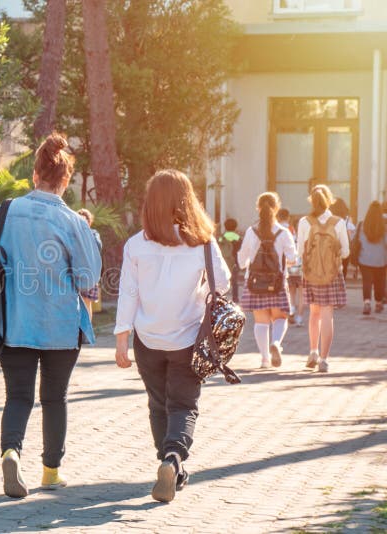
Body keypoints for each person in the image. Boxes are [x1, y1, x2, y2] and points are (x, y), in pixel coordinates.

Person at [0, 133, 101, 499]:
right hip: (60, 326)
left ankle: (10, 452)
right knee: (54, 398)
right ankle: (51, 472)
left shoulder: (2, 213)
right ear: (65, 181)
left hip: (13, 322)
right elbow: (88, 278)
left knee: (17, 396)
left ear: (34, 174)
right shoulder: (74, 223)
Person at [114, 169, 230, 503]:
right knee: (183, 404)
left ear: (150, 204)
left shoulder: (136, 245)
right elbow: (221, 285)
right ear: (187, 202)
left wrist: (122, 340)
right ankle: (172, 459)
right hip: (188, 339)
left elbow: (128, 293)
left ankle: (167, 463)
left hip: (147, 339)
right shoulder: (202, 244)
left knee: (157, 403)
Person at [237, 193, 297, 369]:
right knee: (280, 317)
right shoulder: (283, 232)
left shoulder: (251, 231)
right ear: (276, 208)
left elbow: (242, 258)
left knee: (261, 321)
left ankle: (264, 359)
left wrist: (244, 264)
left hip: (255, 283)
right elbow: (293, 258)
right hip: (277, 282)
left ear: (258, 208)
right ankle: (276, 343)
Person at [297, 185, 349, 373]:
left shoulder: (304, 222)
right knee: (328, 315)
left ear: (312, 200)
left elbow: (299, 252)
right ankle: (324, 360)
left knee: (314, 314)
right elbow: (346, 251)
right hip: (332, 275)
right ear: (329, 200)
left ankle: (313, 352)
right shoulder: (338, 222)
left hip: (311, 274)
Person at [354, 201, 387, 315]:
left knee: (366, 281)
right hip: (381, 259)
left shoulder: (362, 225)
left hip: (364, 259)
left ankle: (367, 303)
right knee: (380, 281)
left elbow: (356, 240)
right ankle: (378, 303)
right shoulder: (384, 226)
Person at [278, 209, 304, 327]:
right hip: (298, 264)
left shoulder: (276, 229)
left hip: (286, 265)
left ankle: (291, 312)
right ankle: (299, 318)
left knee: (291, 291)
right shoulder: (292, 230)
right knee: (301, 293)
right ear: (288, 217)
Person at [77, 208, 102, 318]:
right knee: (76, 303)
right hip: (76, 273)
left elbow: (98, 246)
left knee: (87, 303)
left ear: (89, 221)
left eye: (85, 219)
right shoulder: (73, 234)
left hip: (89, 274)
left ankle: (87, 332)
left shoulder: (94, 233)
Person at [330, 198, 356, 278]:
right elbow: (351, 235)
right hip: (344, 249)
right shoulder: (347, 219)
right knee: (343, 273)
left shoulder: (330, 219)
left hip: (331, 248)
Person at [218, 218, 242, 301]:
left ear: (225, 227)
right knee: (234, 280)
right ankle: (235, 298)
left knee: (224, 279)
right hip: (235, 261)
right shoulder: (237, 237)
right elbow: (240, 249)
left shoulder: (222, 237)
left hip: (224, 261)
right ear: (235, 227)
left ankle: (222, 297)